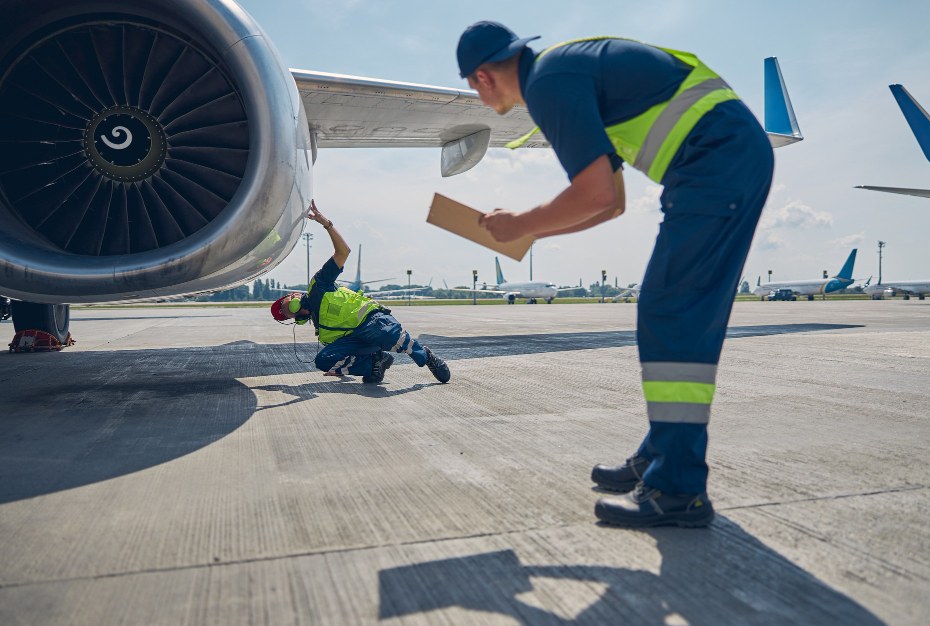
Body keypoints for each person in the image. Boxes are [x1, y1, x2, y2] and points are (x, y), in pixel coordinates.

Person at [457, 22, 775, 528]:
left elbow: (599, 197)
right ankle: (659, 456)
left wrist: (519, 223)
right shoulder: (561, 70)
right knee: (671, 313)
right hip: (721, 161)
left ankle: (678, 490)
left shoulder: (547, 85)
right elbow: (610, 204)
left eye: (471, 86)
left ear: (482, 77)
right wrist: (528, 232)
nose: (476, 95)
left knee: (672, 314)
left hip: (715, 165)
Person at [271, 200, 451, 385]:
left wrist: (327, 224)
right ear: (295, 317)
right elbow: (342, 351)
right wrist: (339, 368)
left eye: (284, 304)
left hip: (373, 322)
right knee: (323, 360)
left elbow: (343, 252)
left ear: (292, 296)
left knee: (388, 336)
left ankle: (425, 355)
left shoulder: (319, 286)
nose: (286, 307)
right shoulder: (322, 332)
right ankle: (376, 362)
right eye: (285, 314)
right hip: (360, 341)